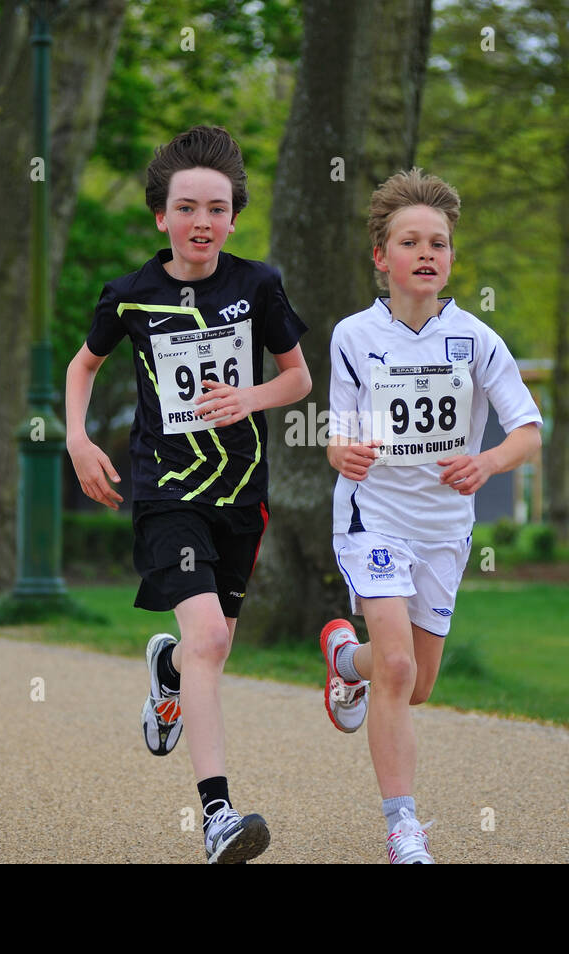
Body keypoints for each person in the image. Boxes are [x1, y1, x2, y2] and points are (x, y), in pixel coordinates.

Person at [64, 125, 311, 864]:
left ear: (234, 217)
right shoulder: (131, 295)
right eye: (186, 208)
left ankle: (167, 673)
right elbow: (84, 366)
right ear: (161, 217)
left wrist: (249, 398)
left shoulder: (258, 285)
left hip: (240, 491)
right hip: (166, 490)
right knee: (208, 637)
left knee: (213, 647)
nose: (201, 221)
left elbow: (298, 379)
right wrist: (77, 438)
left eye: (216, 208)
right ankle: (218, 818)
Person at [320, 168, 542, 863]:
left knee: (414, 684)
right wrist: (342, 454)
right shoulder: (354, 336)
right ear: (381, 257)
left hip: (444, 530)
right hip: (374, 518)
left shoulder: (476, 340)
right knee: (395, 666)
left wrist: (488, 463)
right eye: (410, 241)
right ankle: (402, 828)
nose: (426, 253)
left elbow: (528, 432)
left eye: (438, 243)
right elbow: (338, 434)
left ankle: (340, 660)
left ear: (450, 258)